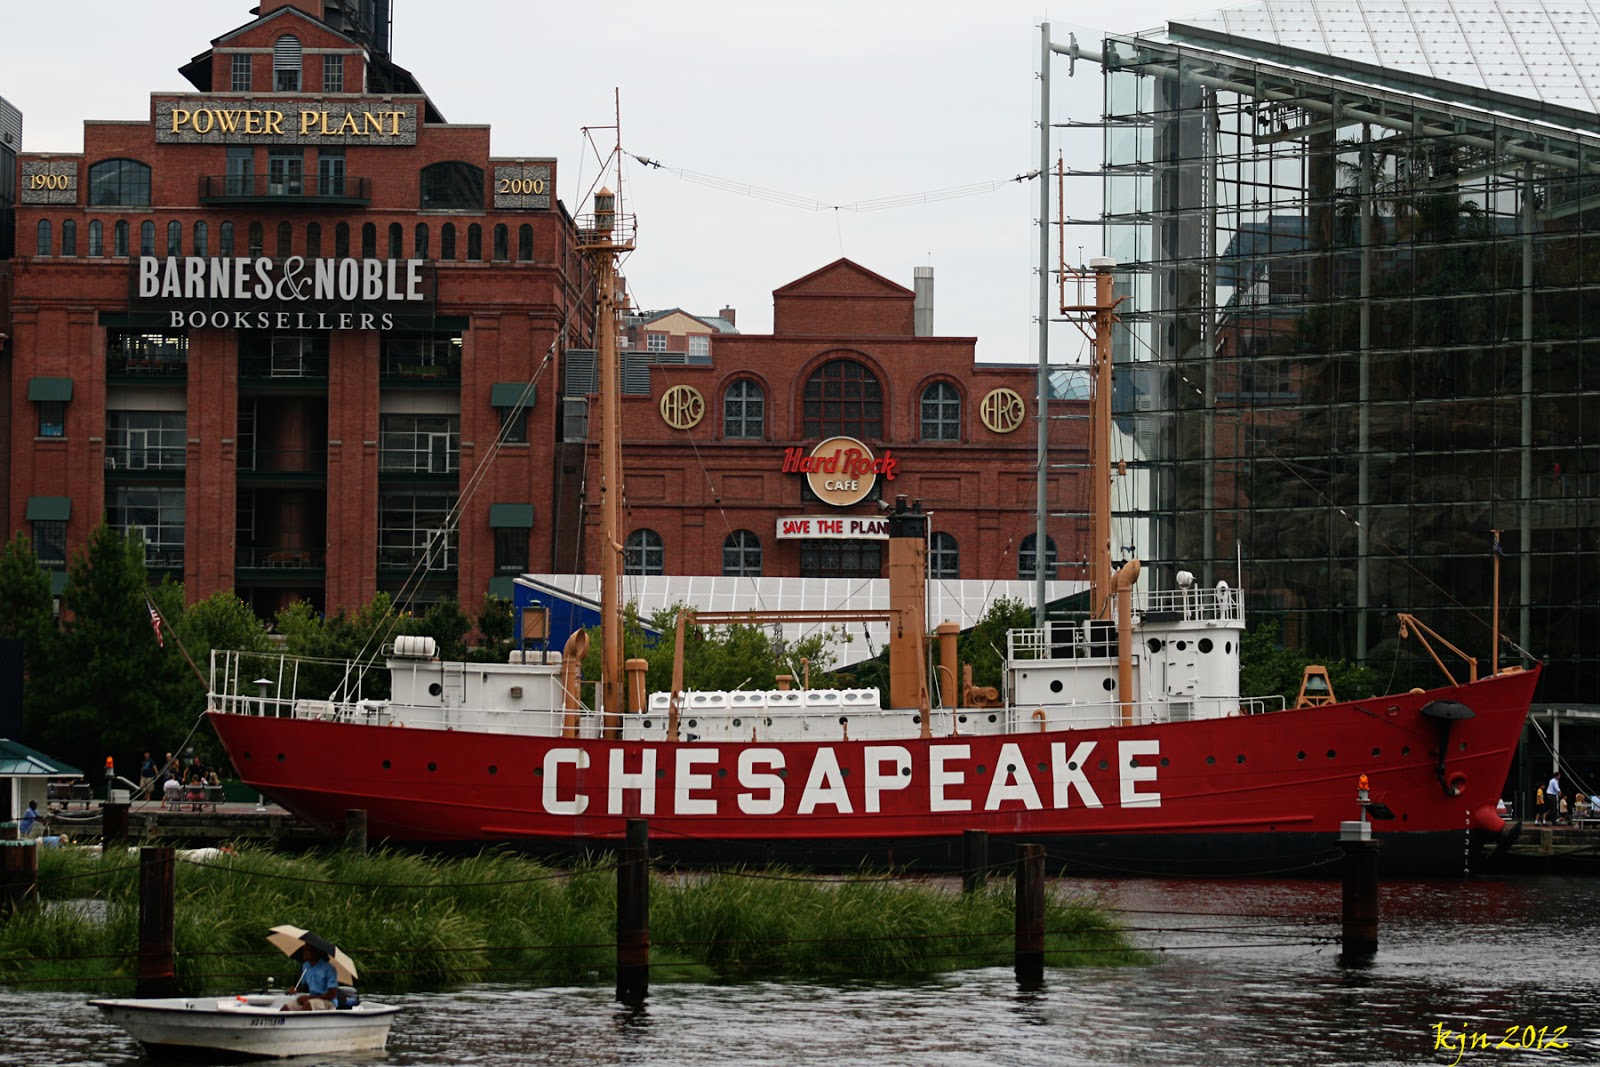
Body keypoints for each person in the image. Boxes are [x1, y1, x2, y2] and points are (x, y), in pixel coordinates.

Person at [282, 945, 339, 1011]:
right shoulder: (306, 966)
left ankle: (303, 1021)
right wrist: (296, 989)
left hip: (327, 1001)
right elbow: (306, 986)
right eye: (304, 950)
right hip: (312, 998)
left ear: (316, 952)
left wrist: (309, 998)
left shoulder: (329, 968)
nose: (304, 952)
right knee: (286, 1008)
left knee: (308, 1005)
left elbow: (332, 994)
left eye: (307, 950)